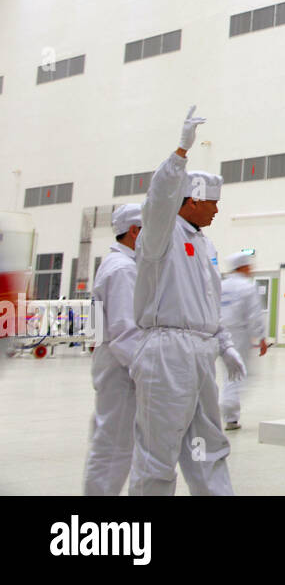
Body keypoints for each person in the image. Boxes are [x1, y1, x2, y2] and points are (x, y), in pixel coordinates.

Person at [129, 105, 245, 496]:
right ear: (191, 200)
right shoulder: (161, 235)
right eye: (211, 202)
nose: (217, 209)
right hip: (166, 353)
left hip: (199, 354)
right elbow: (158, 200)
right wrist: (180, 153)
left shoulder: (204, 243)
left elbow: (210, 303)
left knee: (207, 447)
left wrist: (225, 345)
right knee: (158, 451)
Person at [83, 203, 144, 496]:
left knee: (110, 441)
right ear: (134, 231)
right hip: (120, 370)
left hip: (111, 362)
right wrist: (148, 373)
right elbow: (124, 332)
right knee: (114, 447)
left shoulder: (115, 264)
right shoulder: (123, 270)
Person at [219, 252, 268, 430]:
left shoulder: (221, 285)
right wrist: (261, 337)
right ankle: (230, 413)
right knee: (237, 374)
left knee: (227, 373)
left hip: (218, 333)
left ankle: (228, 410)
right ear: (242, 267)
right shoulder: (247, 287)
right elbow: (255, 314)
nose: (251, 270)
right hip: (238, 335)